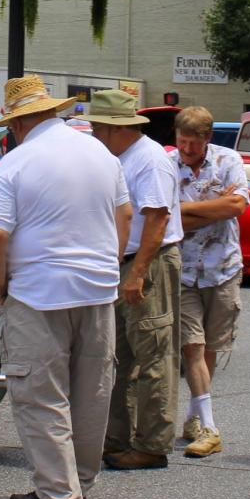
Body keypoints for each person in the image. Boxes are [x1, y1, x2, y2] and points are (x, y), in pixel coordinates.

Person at [0, 75, 131, 499]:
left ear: (18, 123)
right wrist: (107, 262)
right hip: (97, 288)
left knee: (40, 392)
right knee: (92, 390)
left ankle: (57, 491)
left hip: (38, 290)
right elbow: (124, 213)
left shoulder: (18, 161)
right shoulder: (99, 152)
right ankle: (79, 480)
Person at [86, 90, 184, 471]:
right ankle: (118, 437)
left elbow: (157, 220)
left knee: (153, 353)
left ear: (114, 128)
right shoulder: (126, 156)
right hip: (130, 262)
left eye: (97, 126)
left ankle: (152, 444)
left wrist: (138, 273)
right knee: (121, 356)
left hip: (149, 262)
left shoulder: (150, 159)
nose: (94, 132)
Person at [170, 106, 248, 458]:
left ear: (207, 139)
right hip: (184, 271)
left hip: (223, 268)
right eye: (181, 142)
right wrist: (214, 205)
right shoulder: (168, 165)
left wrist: (190, 212)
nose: (186, 150)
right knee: (193, 347)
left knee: (212, 348)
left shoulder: (228, 159)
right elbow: (167, 216)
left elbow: (237, 206)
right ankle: (211, 429)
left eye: (192, 144)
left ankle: (194, 416)